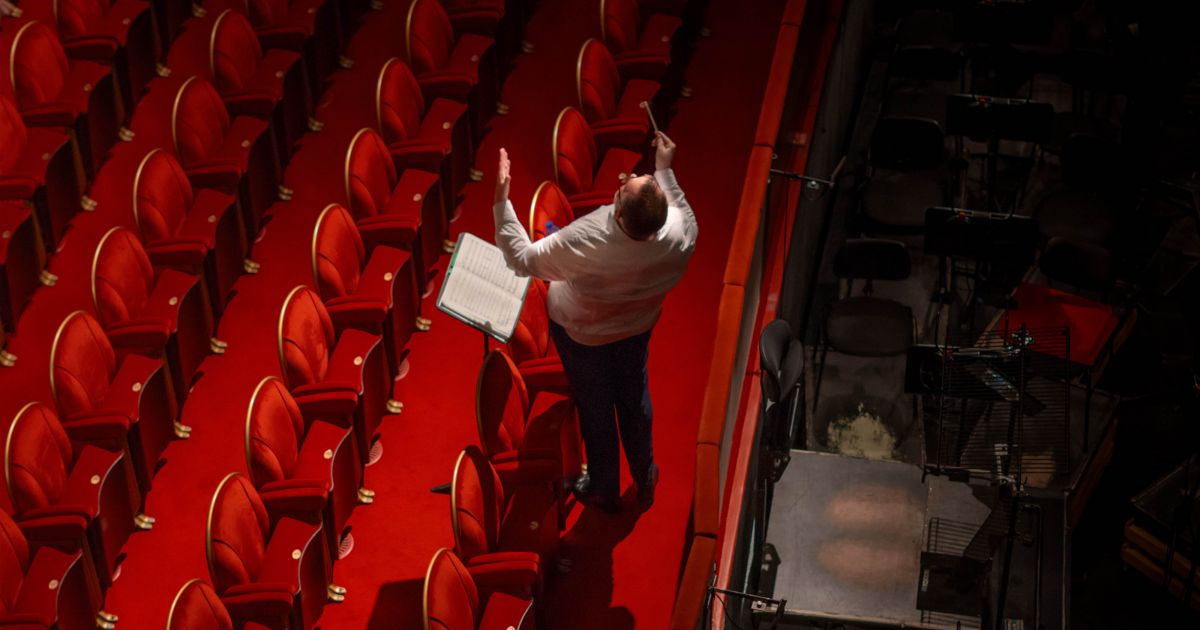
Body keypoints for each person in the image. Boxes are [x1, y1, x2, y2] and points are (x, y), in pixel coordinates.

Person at [491, 131, 697, 513]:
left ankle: (603, 485)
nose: (624, 181)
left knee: (596, 405)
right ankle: (644, 475)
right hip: (637, 326)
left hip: (583, 333)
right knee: (634, 399)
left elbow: (523, 259)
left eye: (624, 188)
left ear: (618, 212)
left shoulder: (589, 237)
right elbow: (679, 203)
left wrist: (502, 200)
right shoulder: (680, 233)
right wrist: (664, 169)